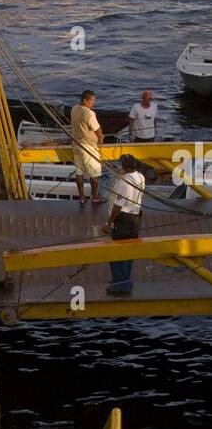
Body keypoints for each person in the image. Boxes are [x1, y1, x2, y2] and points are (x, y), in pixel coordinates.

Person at [103, 153, 145, 296]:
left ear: (124, 167)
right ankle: (123, 281)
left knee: (116, 253)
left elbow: (118, 206)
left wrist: (109, 223)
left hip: (123, 220)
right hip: (135, 218)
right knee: (128, 253)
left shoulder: (123, 182)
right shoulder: (140, 177)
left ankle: (121, 285)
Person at [71, 89, 104, 205]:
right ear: (85, 101)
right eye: (92, 101)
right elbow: (98, 130)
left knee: (79, 172)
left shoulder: (74, 108)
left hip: (76, 145)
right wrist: (100, 139)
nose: (93, 103)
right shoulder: (89, 113)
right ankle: (95, 196)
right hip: (88, 146)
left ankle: (81, 197)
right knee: (95, 172)